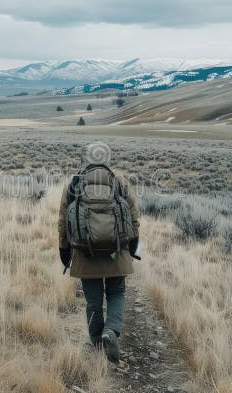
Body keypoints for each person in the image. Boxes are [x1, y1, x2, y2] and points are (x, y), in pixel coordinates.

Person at [58, 143, 140, 363]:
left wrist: (64, 252)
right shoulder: (119, 181)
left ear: (84, 159)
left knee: (93, 301)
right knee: (117, 293)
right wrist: (131, 248)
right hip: (117, 251)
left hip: (85, 254)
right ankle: (111, 331)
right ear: (107, 159)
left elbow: (63, 223)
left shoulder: (75, 183)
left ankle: (96, 343)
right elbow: (133, 218)